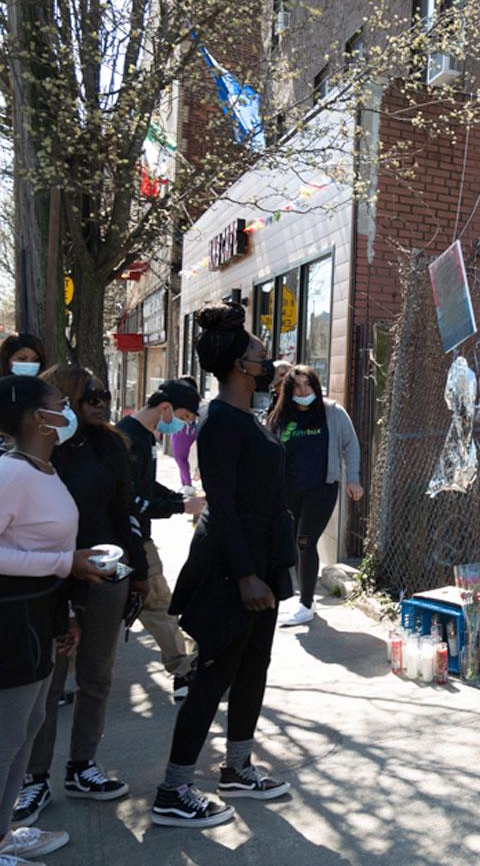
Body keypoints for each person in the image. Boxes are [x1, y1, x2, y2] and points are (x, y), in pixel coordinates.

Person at [153, 302, 293, 829]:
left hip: (264, 561)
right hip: (236, 568)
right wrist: (245, 575)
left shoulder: (248, 415)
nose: (265, 354)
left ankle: (236, 769)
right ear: (239, 364)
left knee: (253, 667)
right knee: (214, 675)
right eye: (258, 350)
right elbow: (225, 504)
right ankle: (173, 788)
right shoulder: (219, 422)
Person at [12, 366, 148, 830]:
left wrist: (138, 576)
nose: (97, 401)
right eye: (83, 394)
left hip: (106, 572)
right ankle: (33, 777)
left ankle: (81, 767)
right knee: (47, 686)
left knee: (97, 675)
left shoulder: (111, 444)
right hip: (51, 579)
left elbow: (126, 512)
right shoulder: (32, 459)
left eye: (102, 393)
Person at [0, 375, 111, 865]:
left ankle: (3, 834)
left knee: (28, 727)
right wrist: (67, 565)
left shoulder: (43, 469)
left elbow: (48, 548)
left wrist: (64, 612)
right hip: (10, 623)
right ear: (33, 418)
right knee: (6, 737)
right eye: (58, 404)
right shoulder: (11, 473)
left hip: (39, 617)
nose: (68, 410)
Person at [115, 381, 208, 700]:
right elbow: (133, 499)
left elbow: (145, 485)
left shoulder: (140, 435)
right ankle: (183, 671)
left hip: (127, 541)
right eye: (183, 416)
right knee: (156, 605)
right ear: (165, 408)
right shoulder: (129, 439)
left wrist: (179, 497)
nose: (181, 424)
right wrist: (180, 506)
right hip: (131, 542)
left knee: (135, 607)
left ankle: (55, 679)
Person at [267, 365, 363, 627]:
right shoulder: (281, 415)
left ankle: (306, 604)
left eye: (307, 384)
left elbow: (350, 444)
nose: (302, 390)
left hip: (321, 488)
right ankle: (305, 599)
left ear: (316, 385)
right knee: (296, 543)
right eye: (296, 386)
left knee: (305, 542)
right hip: (289, 489)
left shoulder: (332, 412)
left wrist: (353, 478)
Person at [169, 376, 200, 492]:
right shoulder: (193, 401)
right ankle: (185, 484)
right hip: (186, 428)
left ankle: (187, 485)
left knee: (180, 457)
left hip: (184, 429)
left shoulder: (185, 402)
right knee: (181, 457)